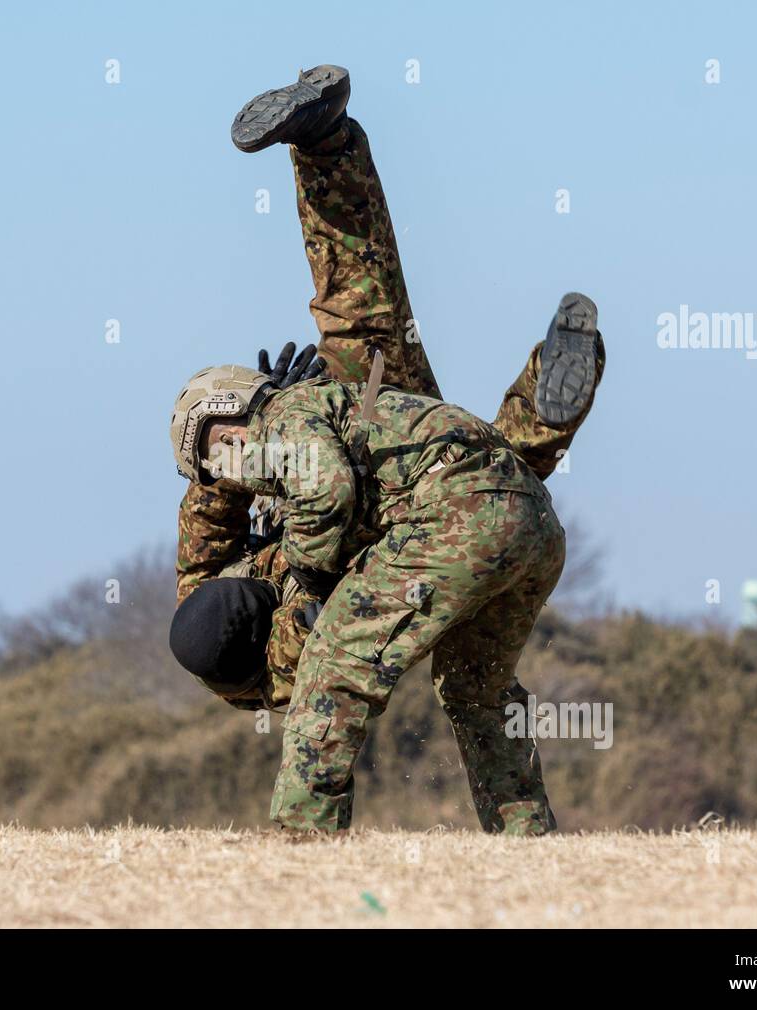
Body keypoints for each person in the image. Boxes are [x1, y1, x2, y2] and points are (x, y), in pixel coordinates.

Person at [170, 65, 606, 834]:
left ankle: (545, 404)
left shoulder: (208, 583)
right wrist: (271, 437)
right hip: (408, 498)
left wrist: (252, 447)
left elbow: (213, 506)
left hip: (416, 491)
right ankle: (328, 144)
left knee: (393, 365)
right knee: (367, 332)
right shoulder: (281, 637)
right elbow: (319, 522)